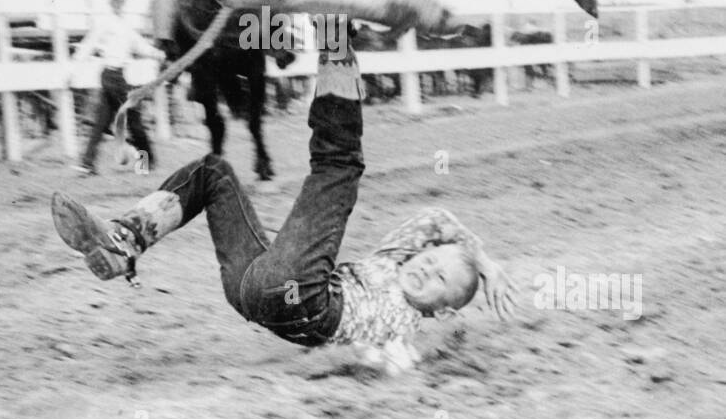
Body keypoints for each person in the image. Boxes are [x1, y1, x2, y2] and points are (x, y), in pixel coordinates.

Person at [52, 34, 517, 370]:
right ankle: (124, 242)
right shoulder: (397, 259)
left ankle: (334, 36)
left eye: (437, 281)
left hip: (309, 299)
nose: (425, 269)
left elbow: (393, 362)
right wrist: (484, 260)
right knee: (213, 172)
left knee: (339, 165)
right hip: (253, 290)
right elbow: (437, 218)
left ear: (442, 311)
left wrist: (384, 361)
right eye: (432, 260)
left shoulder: (407, 325)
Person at [73, 0, 164, 175]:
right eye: (115, 2)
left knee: (101, 122)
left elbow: (139, 46)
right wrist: (73, 68)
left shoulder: (126, 26)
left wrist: (157, 54)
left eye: (120, 3)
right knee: (133, 118)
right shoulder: (105, 24)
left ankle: (87, 163)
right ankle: (147, 162)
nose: (118, 6)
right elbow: (88, 45)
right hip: (111, 75)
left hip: (118, 76)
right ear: (110, 4)